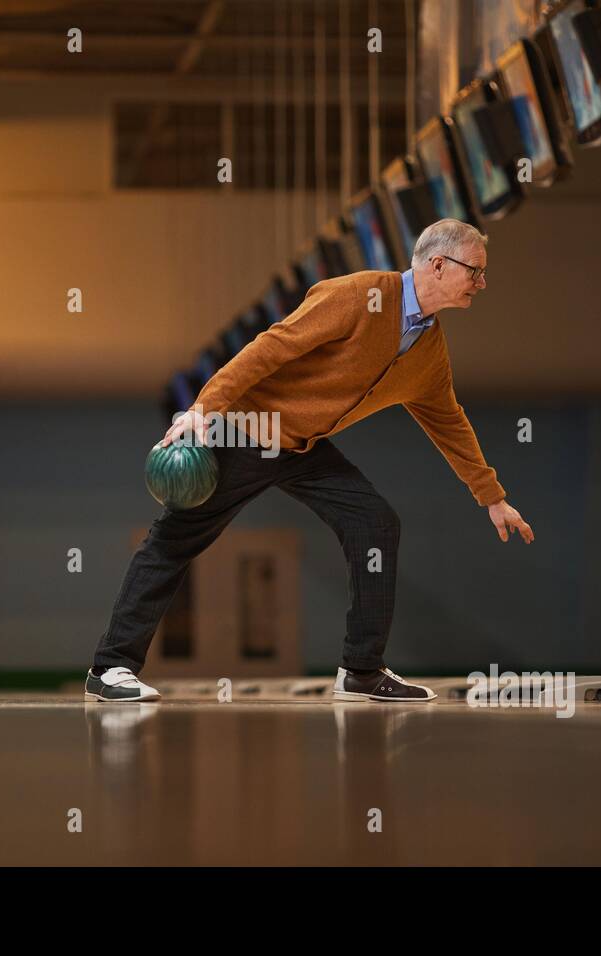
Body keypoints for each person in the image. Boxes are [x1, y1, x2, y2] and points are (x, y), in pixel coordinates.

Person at [87, 219, 534, 704]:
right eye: (477, 272)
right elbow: (271, 346)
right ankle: (111, 668)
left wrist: (492, 498)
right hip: (247, 429)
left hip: (303, 446)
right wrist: (204, 408)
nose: (481, 283)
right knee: (175, 538)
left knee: (375, 523)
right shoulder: (359, 294)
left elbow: (448, 420)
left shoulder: (429, 349)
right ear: (440, 265)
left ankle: (361, 671)